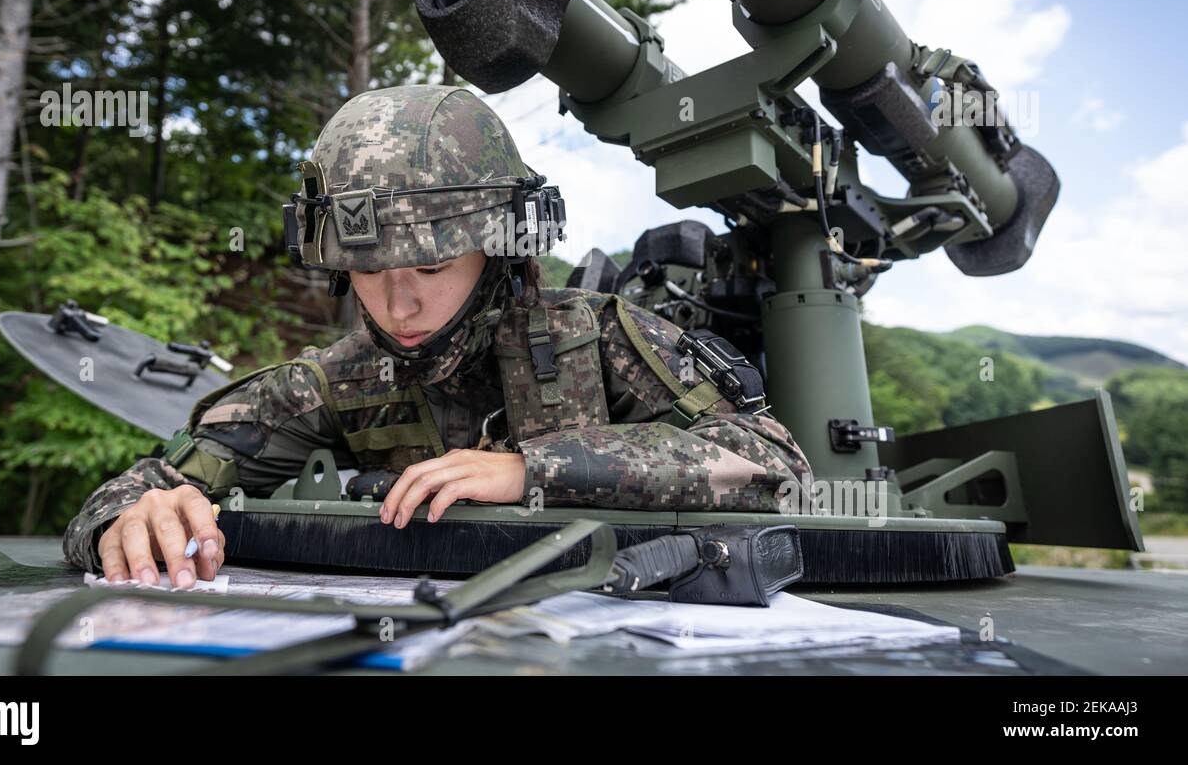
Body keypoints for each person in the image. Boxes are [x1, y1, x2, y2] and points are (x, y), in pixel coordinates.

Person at [62, 85, 812, 584]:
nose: (399, 303)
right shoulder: (331, 382)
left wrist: (533, 469)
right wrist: (130, 521)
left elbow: (776, 461)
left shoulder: (596, 337)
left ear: (498, 246)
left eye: (433, 262)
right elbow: (146, 485)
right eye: (366, 268)